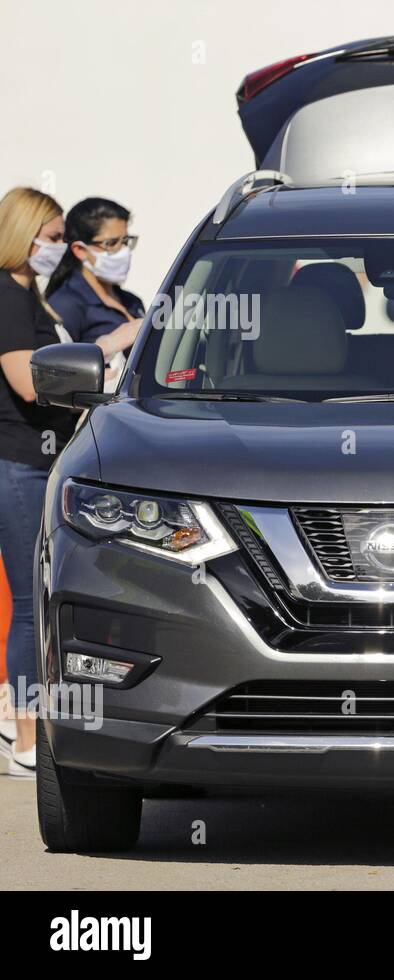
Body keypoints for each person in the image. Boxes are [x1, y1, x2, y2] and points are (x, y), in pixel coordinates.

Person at [0, 187, 77, 778]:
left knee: (41, 604)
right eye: (50, 238)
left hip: (42, 460)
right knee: (29, 604)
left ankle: (35, 729)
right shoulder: (6, 295)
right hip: (18, 461)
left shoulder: (36, 297)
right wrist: (106, 347)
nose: (56, 248)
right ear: (22, 235)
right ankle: (26, 737)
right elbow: (28, 384)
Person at [45, 197, 143, 362]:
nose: (123, 251)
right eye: (111, 243)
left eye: (125, 241)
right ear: (80, 250)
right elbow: (58, 369)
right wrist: (107, 346)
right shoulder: (66, 304)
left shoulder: (132, 301)